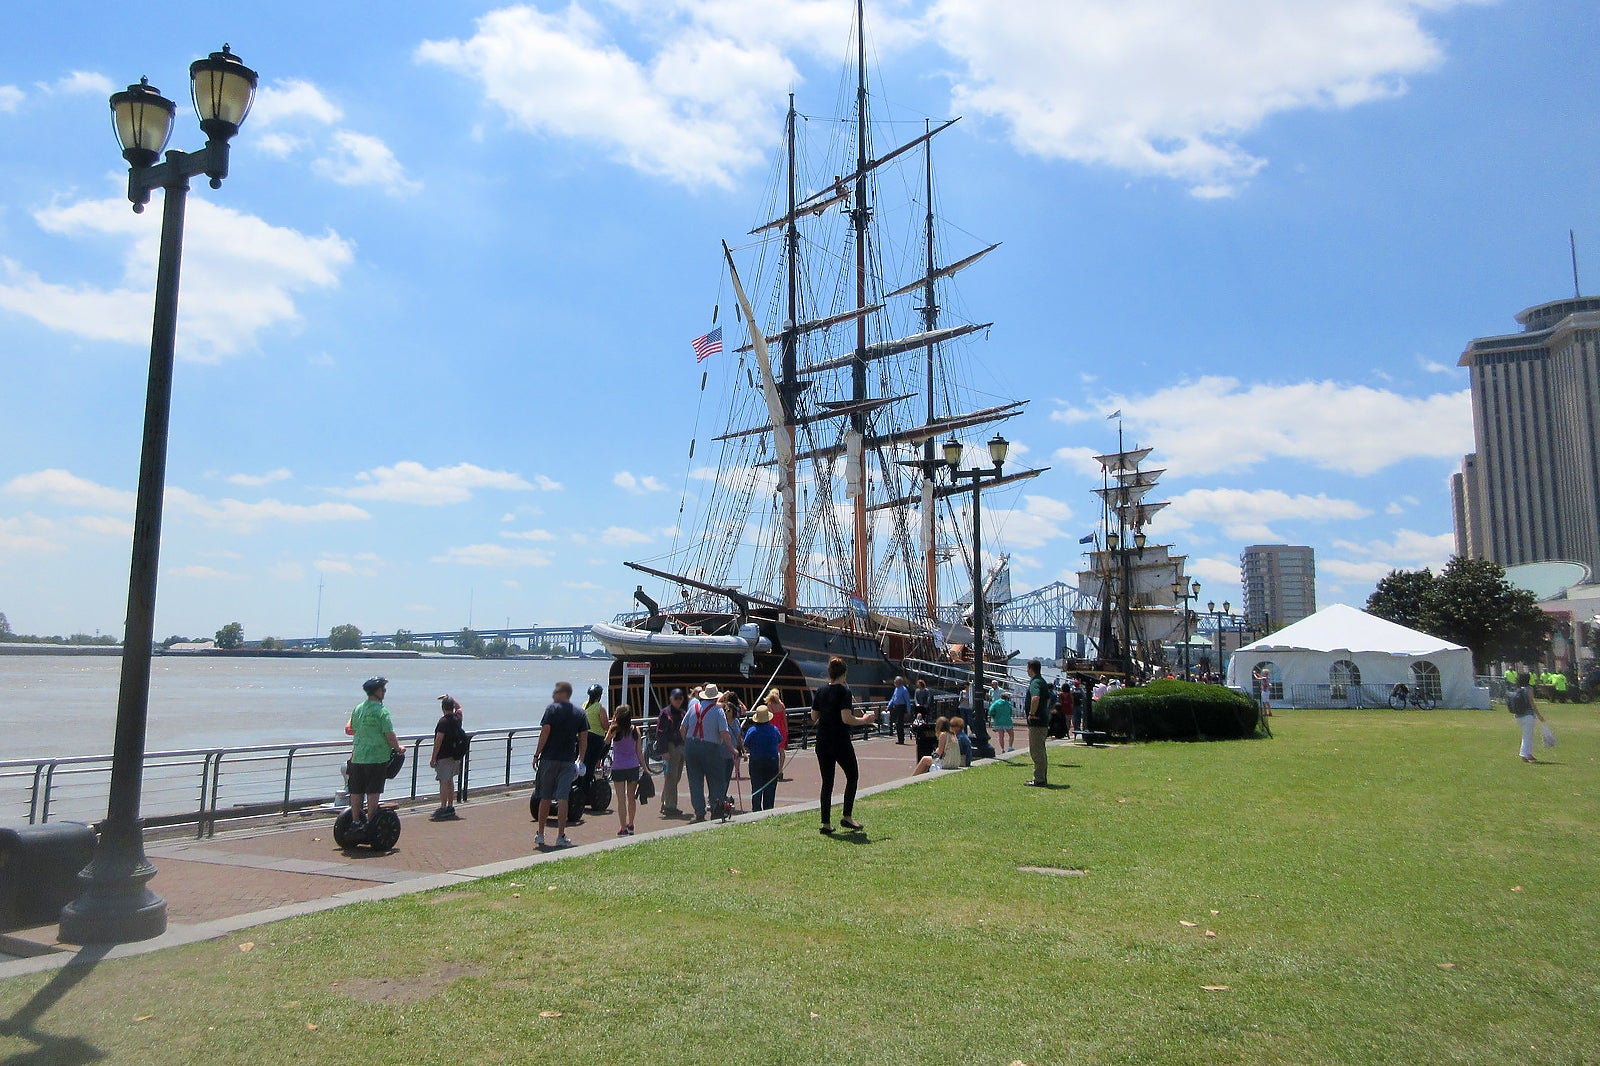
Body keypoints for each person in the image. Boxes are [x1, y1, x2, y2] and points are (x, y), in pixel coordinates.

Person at [811, 656, 876, 833]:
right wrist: (865, 720)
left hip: (822, 741)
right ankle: (847, 816)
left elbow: (813, 717)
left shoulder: (821, 691)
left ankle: (826, 823)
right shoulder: (844, 692)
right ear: (844, 674)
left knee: (827, 782)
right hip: (839, 740)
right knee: (852, 776)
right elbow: (846, 718)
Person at [533, 681, 589, 848]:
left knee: (545, 796)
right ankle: (560, 835)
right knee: (563, 798)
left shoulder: (551, 709)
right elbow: (584, 739)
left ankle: (541, 834)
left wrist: (537, 754)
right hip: (567, 760)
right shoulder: (579, 713)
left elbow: (545, 732)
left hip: (549, 758)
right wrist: (581, 759)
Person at [346, 677, 401, 831]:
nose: (384, 691)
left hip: (358, 756)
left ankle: (355, 821)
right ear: (376, 691)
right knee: (373, 790)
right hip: (377, 757)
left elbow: (354, 729)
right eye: (382, 689)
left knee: (356, 790)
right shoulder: (382, 711)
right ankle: (370, 821)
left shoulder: (358, 708)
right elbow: (389, 734)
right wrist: (397, 748)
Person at [682, 682, 738, 822]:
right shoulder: (718, 711)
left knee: (695, 781)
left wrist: (687, 743)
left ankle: (699, 812)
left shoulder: (693, 707)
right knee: (716, 780)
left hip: (691, 745)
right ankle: (716, 809)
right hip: (711, 747)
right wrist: (732, 749)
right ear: (715, 698)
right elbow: (724, 732)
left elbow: (682, 729)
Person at [429, 694, 468, 821]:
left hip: (444, 756)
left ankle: (443, 807)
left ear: (442, 708)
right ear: (452, 707)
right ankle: (450, 806)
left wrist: (433, 757)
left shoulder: (443, 721)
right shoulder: (457, 718)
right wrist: (449, 697)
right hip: (456, 755)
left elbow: (438, 741)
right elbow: (460, 708)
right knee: (450, 781)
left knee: (443, 781)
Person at [607, 705, 642, 835]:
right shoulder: (635, 730)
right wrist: (645, 767)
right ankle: (631, 823)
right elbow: (639, 752)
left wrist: (611, 724)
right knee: (631, 798)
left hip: (618, 767)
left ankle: (623, 828)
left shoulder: (615, 730)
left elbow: (606, 741)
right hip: (633, 766)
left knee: (621, 800)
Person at [744, 702, 784, 812]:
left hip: (756, 761)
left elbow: (746, 745)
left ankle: (756, 811)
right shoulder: (774, 730)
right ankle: (768, 810)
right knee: (770, 790)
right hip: (772, 761)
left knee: (756, 788)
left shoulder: (752, 731)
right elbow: (779, 742)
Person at [656, 688, 688, 816]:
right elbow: (660, 733)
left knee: (676, 777)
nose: (678, 700)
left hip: (681, 746)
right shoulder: (665, 713)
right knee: (670, 777)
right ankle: (670, 806)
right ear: (671, 699)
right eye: (676, 698)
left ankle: (665, 801)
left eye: (680, 698)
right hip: (670, 747)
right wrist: (663, 751)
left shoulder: (682, 713)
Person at [579, 682, 611, 800]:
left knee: (582, 762)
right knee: (591, 764)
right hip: (596, 739)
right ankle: (585, 792)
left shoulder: (584, 705)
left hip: (583, 737)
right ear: (599, 696)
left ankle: (579, 786)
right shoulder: (600, 707)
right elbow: (605, 725)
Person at [1507, 671, 1547, 763]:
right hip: (1528, 715)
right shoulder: (1528, 689)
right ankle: (1524, 755)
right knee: (1527, 736)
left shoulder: (1516, 688)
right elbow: (1532, 703)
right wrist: (1539, 715)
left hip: (1518, 715)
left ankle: (1529, 754)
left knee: (1527, 735)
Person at [1024, 659, 1050, 787]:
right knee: (1041, 750)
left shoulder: (1035, 683)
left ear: (1030, 669)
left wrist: (1032, 713)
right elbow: (1050, 698)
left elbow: (1035, 698)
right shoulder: (1042, 681)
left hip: (1037, 722)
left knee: (1036, 751)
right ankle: (1041, 777)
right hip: (1043, 720)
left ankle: (1039, 779)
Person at [764, 689, 791, 779]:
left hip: (773, 728)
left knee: (773, 750)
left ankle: (774, 770)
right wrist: (786, 729)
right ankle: (780, 770)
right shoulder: (782, 705)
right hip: (782, 728)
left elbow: (769, 718)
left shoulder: (770, 705)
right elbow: (784, 718)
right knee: (782, 750)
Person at [887, 676, 912, 744]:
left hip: (901, 707)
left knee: (899, 724)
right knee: (895, 722)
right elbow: (893, 698)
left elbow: (907, 701)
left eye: (895, 681)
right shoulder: (896, 689)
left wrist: (908, 711)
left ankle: (901, 739)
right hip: (896, 707)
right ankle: (899, 738)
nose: (894, 682)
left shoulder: (904, 690)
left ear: (899, 682)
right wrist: (889, 706)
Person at [989, 687, 1016, 753]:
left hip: (998, 721)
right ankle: (1010, 747)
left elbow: (991, 710)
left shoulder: (996, 703)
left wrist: (993, 716)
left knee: (1001, 736)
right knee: (1011, 735)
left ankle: (1002, 749)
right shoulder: (1008, 704)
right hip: (1007, 721)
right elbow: (1010, 711)